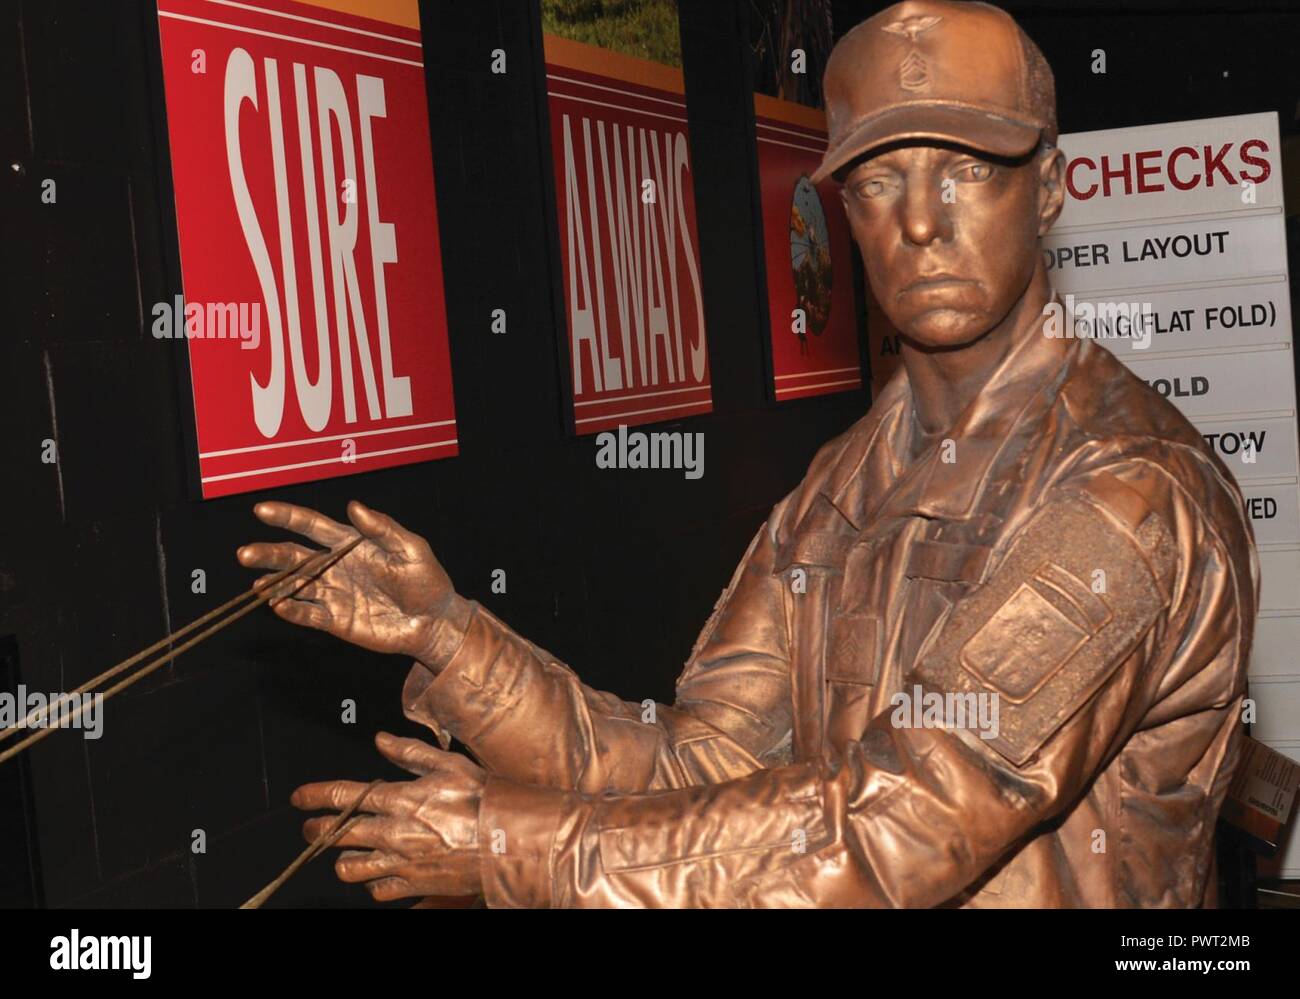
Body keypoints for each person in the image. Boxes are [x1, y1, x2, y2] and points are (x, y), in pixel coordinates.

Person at [237, 0, 1258, 907]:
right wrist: (456, 643)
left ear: (1046, 190)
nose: (919, 221)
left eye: (967, 170)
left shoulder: (1126, 493)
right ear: (841, 214)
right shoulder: (844, 483)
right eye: (876, 181)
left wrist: (516, 846)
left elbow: (900, 828)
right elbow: (700, 767)